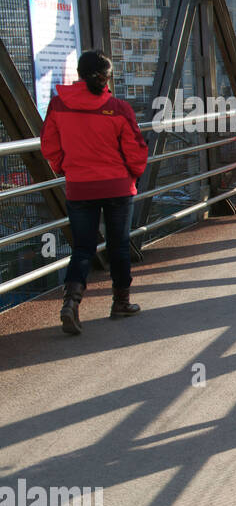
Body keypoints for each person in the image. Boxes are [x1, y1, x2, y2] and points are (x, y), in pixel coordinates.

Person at [40, 50, 148, 335]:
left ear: (78, 74)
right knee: (119, 245)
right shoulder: (119, 108)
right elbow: (136, 150)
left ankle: (71, 303)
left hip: (79, 187)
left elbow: (49, 146)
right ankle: (121, 302)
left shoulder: (58, 106)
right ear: (107, 78)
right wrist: (131, 175)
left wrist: (66, 168)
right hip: (117, 186)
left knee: (83, 248)